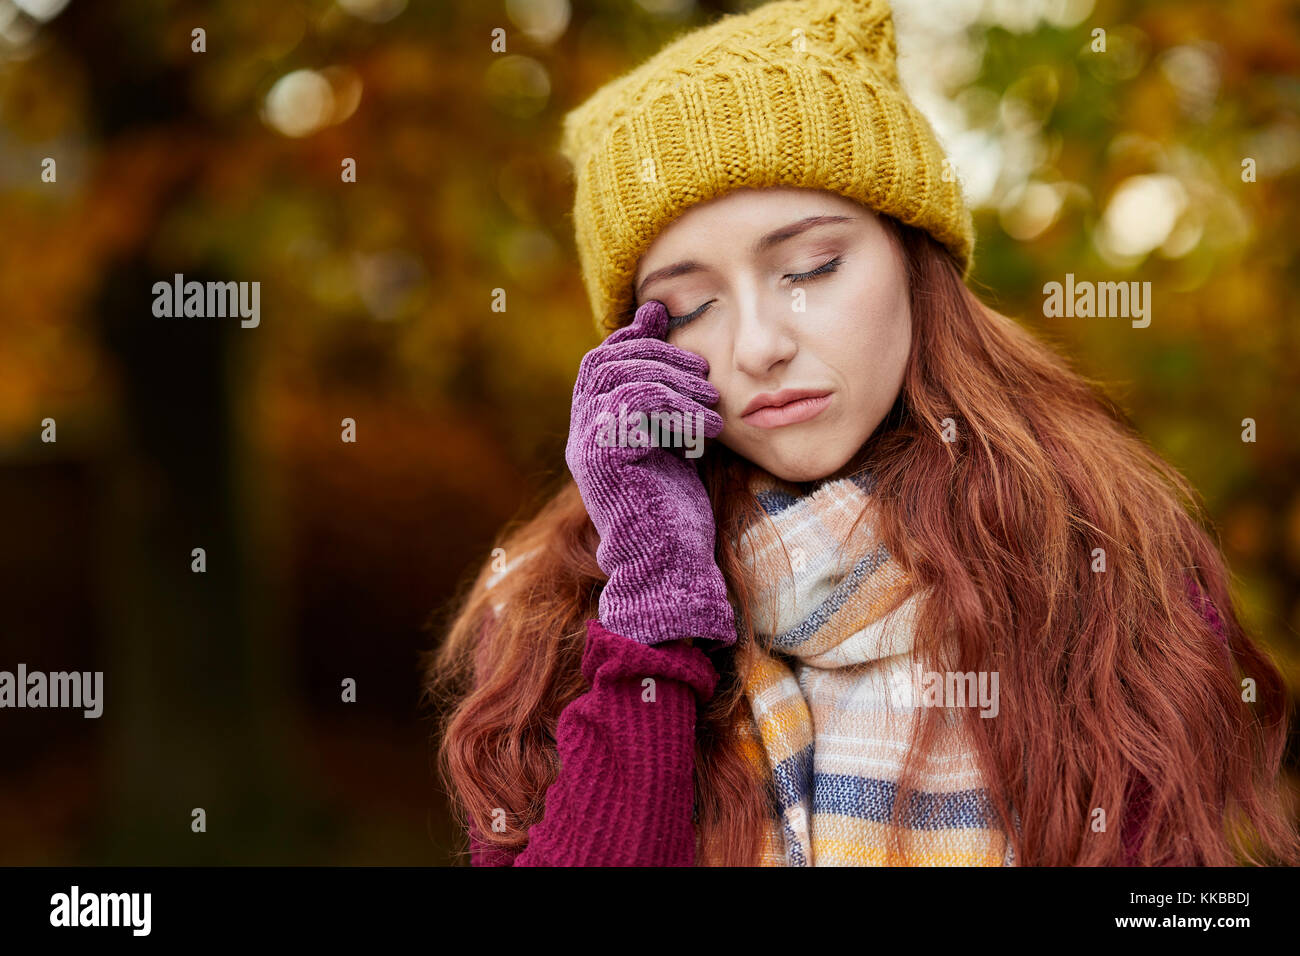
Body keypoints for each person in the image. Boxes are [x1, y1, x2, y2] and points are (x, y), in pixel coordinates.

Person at [423, 0, 1299, 866]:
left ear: (913, 261)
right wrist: (655, 604)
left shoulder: (1101, 563)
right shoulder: (557, 607)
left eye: (811, 268)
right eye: (690, 308)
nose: (759, 345)